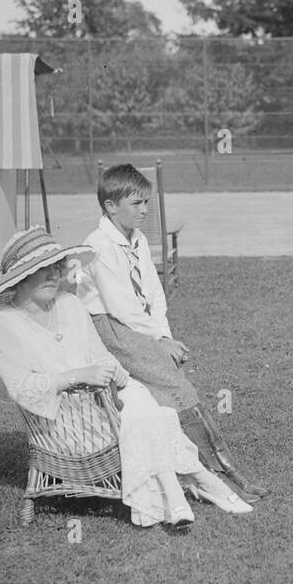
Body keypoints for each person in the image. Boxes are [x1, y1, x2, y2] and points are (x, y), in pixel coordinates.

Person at [0, 227, 252, 529]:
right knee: (149, 413)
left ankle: (185, 488)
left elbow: (101, 356)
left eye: (56, 267)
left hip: (105, 399)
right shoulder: (0, 324)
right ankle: (195, 484)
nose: (53, 275)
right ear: (21, 277)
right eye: (42, 270)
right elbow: (22, 389)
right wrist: (79, 376)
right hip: (65, 421)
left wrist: (110, 371)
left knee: (141, 398)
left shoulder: (68, 304)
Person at [76, 164, 269, 501]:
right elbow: (121, 305)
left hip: (137, 326)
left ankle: (210, 472)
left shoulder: (137, 239)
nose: (145, 210)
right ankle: (216, 475)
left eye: (146, 202)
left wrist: (163, 334)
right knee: (174, 383)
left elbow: (153, 292)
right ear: (110, 206)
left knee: (174, 385)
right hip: (109, 330)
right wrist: (157, 341)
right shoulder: (98, 245)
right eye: (136, 204)